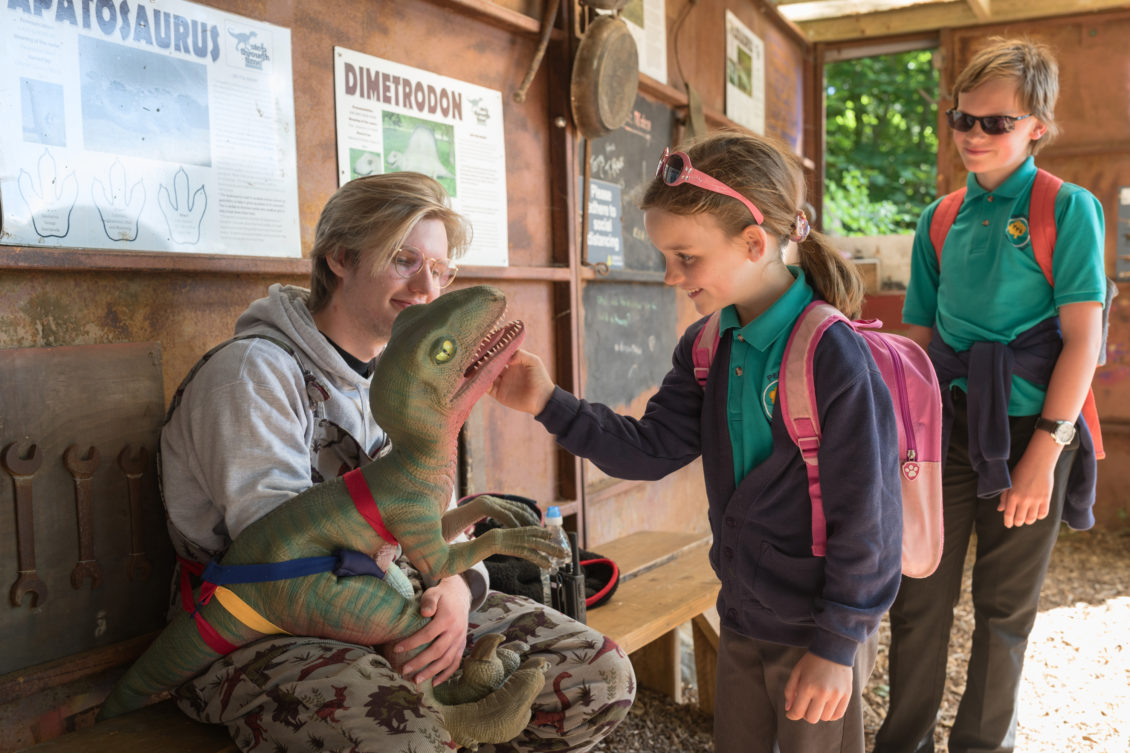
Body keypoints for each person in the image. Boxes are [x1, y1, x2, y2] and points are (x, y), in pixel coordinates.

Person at [159, 172, 635, 753]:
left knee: (595, 676)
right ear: (340, 257)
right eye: (405, 261)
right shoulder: (254, 375)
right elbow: (283, 561)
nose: (428, 288)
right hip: (260, 632)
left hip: (400, 599)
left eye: (441, 269)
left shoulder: (402, 371)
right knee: (404, 736)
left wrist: (458, 591)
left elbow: (440, 514)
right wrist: (410, 631)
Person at [490, 132, 903, 753]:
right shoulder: (710, 345)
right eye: (665, 255)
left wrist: (838, 646)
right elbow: (651, 449)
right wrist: (550, 403)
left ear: (755, 243)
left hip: (816, 629)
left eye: (685, 256)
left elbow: (870, 516)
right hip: (742, 612)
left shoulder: (833, 354)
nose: (669, 276)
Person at [874, 37, 1106, 753]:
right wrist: (887, 427)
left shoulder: (1066, 209)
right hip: (943, 427)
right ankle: (902, 741)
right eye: (962, 119)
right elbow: (915, 340)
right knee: (918, 597)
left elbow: (1082, 339)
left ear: (1037, 123)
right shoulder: (938, 218)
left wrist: (1046, 449)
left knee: (1004, 609)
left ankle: (982, 744)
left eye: (994, 122)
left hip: (1033, 424)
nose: (974, 135)